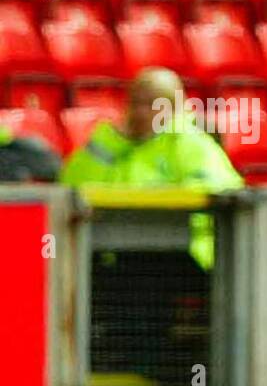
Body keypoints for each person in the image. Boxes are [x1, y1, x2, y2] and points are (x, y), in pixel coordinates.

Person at [61, 67, 244, 269]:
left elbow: (222, 188)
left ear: (174, 107)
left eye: (152, 104)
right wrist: (111, 141)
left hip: (180, 257)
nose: (141, 111)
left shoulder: (190, 142)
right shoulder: (110, 143)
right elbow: (68, 185)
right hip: (112, 254)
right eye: (135, 103)